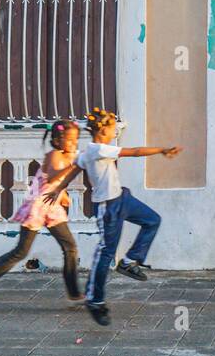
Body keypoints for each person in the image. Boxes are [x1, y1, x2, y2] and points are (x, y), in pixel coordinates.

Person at [53, 108, 181, 327]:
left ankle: (130, 261)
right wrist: (162, 150)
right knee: (105, 253)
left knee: (152, 220)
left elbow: (75, 169)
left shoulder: (89, 152)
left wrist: (60, 188)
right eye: (112, 128)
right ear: (103, 131)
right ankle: (94, 300)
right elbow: (135, 151)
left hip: (122, 198)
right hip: (108, 208)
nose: (115, 131)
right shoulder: (99, 149)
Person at [0, 118, 82, 312]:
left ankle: (74, 294)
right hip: (38, 207)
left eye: (76, 140)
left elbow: (55, 183)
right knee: (21, 252)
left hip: (52, 207)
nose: (74, 144)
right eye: (70, 140)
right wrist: (76, 164)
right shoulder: (55, 155)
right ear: (57, 140)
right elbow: (55, 175)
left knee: (70, 247)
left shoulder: (66, 156)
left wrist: (63, 195)